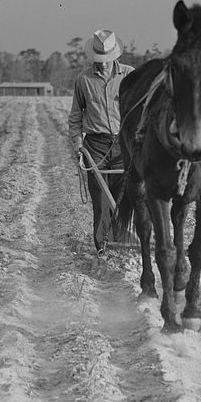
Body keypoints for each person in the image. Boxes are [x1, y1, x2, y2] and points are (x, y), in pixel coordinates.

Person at [68, 29, 135, 249]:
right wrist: (78, 144)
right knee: (101, 202)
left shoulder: (129, 76)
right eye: (99, 60)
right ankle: (102, 247)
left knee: (124, 198)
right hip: (95, 146)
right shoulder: (84, 80)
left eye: (107, 60)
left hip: (123, 145)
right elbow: (76, 116)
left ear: (115, 56)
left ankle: (121, 239)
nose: (103, 64)